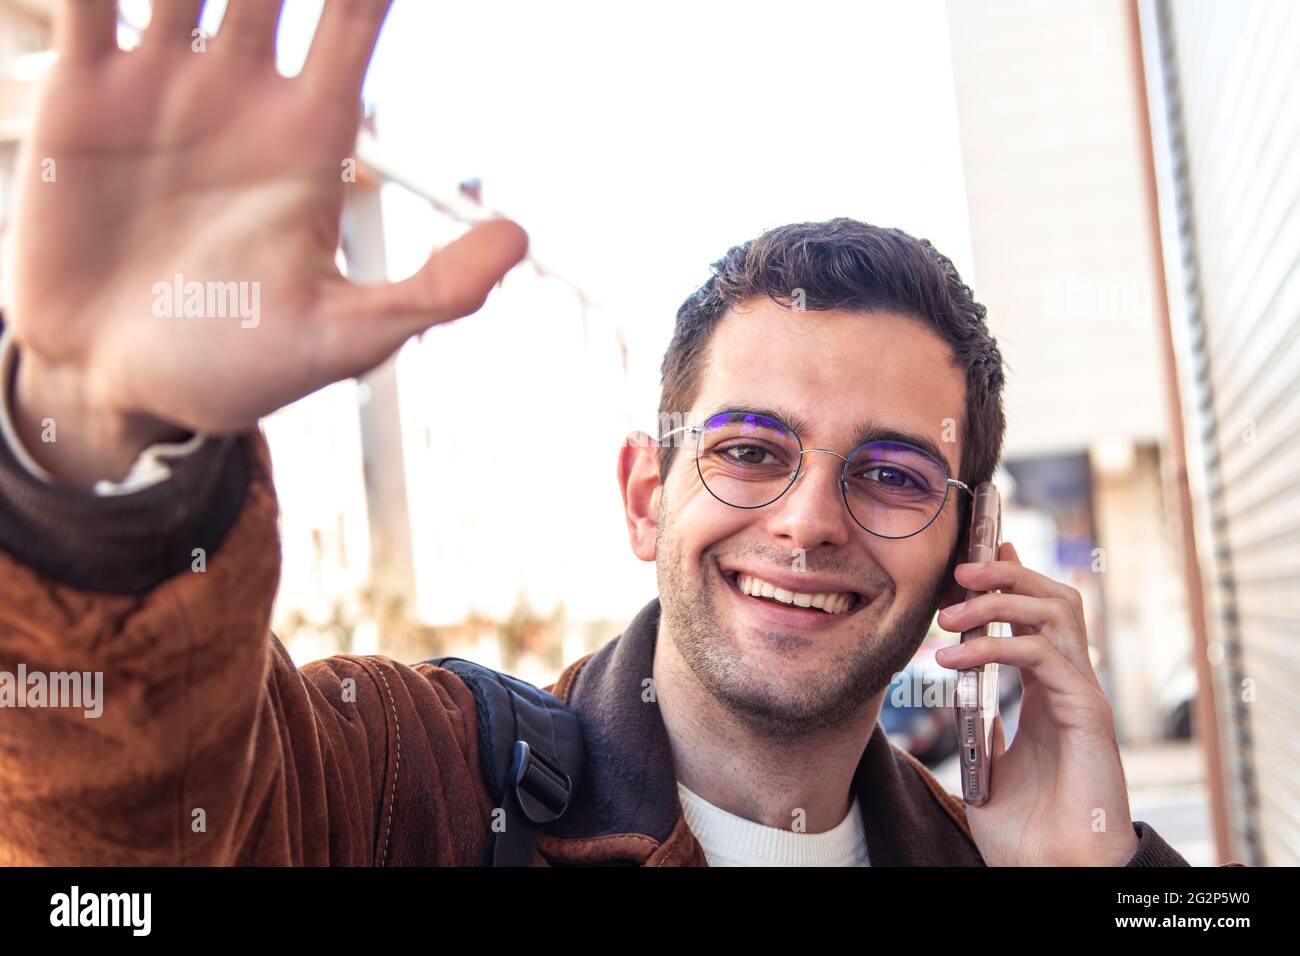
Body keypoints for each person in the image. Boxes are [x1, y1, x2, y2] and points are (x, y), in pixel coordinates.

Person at [0, 0, 1196, 866]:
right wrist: (103, 446)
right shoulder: (410, 780)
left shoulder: (987, 856)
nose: (807, 517)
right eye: (747, 447)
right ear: (643, 492)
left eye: (890, 473)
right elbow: (127, 830)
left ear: (968, 552)